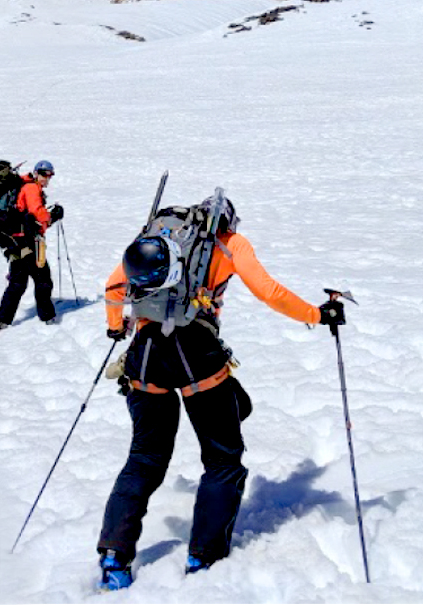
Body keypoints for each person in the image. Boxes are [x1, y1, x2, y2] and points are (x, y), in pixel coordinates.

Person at [95, 193, 343, 590]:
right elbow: (269, 291)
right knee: (223, 460)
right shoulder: (229, 243)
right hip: (198, 357)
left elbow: (114, 286)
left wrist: (114, 326)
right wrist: (317, 314)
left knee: (143, 459)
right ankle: (203, 556)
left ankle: (113, 558)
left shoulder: (159, 235)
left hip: (145, 358)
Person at [0, 160, 64, 333]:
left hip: (14, 241)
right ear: (37, 173)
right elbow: (38, 214)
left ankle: (2, 321)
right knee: (42, 278)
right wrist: (53, 216)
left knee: (17, 282)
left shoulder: (23, 185)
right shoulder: (31, 188)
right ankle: (47, 317)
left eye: (50, 175)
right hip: (28, 242)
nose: (48, 178)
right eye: (45, 174)